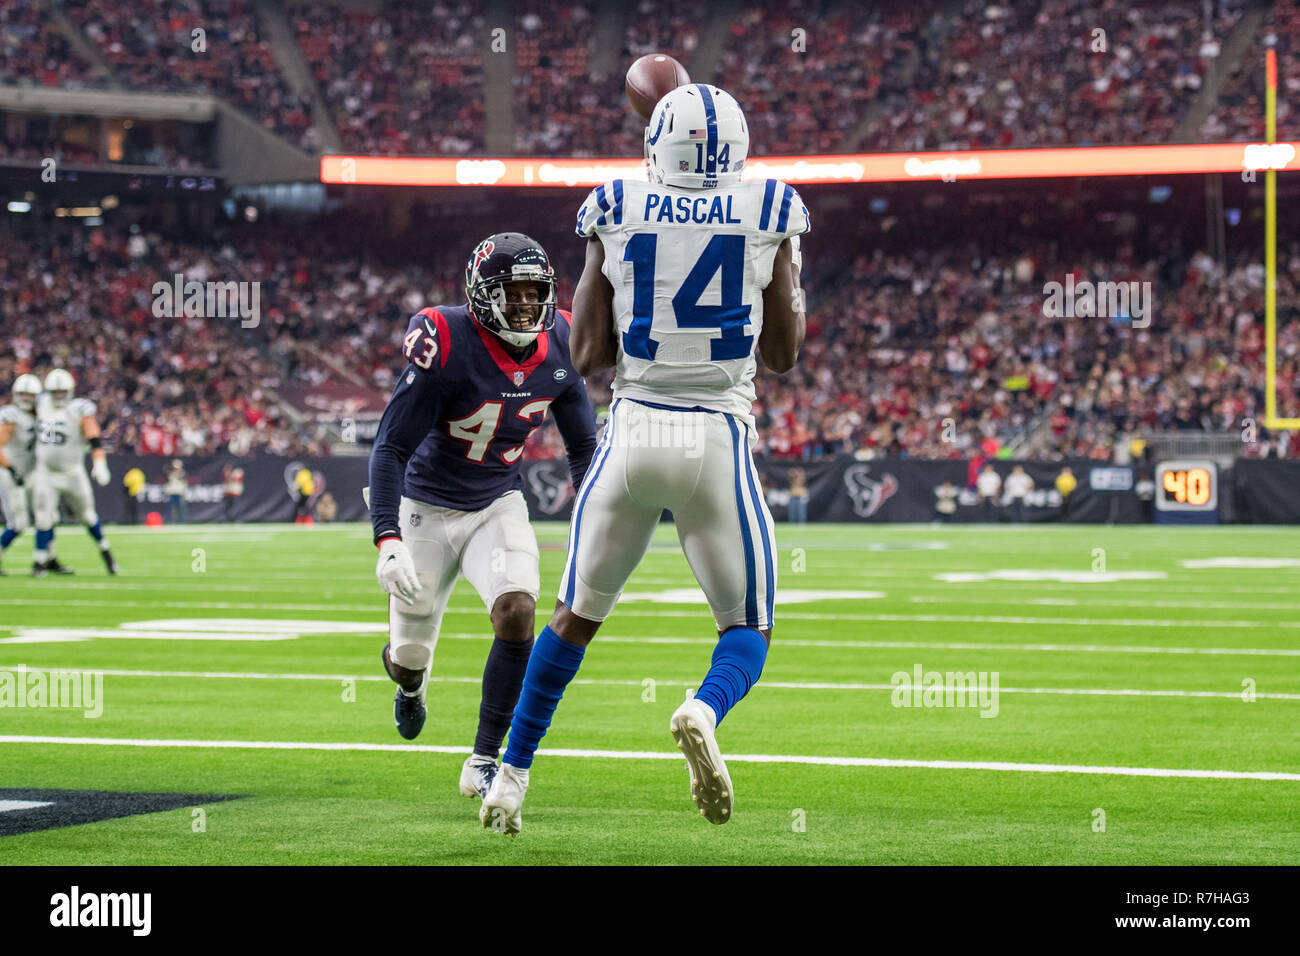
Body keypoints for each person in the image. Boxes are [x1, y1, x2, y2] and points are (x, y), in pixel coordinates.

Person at [482, 83, 810, 834]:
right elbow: (786, 355)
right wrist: (780, 275)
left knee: (572, 619)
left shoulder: (616, 202)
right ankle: (702, 706)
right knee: (747, 630)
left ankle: (511, 777)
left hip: (633, 430)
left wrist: (612, 261)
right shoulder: (770, 206)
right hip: (716, 437)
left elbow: (588, 353)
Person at [368, 232, 597, 804]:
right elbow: (390, 447)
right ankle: (410, 683)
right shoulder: (444, 338)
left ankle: (485, 757)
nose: (525, 305)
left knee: (518, 608)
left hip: (496, 501)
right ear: (479, 294)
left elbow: (584, 449)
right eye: (512, 293)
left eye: (534, 292)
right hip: (424, 507)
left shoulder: (562, 341)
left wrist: (596, 517)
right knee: (410, 657)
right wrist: (387, 538)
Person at [30, 369, 118, 575]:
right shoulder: (40, 403)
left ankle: (106, 553)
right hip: (46, 472)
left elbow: (94, 437)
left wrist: (99, 463)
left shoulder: (78, 408)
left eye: (62, 391)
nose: (58, 395)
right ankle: (40, 562)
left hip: (72, 471)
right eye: (55, 391)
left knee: (88, 516)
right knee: (43, 518)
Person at [0, 374, 42, 574]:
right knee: (18, 523)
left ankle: (47, 558)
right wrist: (10, 469)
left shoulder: (40, 415)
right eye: (22, 394)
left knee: (46, 515)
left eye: (29, 394)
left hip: (30, 472)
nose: (26, 398)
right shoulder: (10, 414)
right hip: (10, 472)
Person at [165, 459, 187, 525]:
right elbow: (165, 470)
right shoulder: (171, 474)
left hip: (179, 493)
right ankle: (172, 522)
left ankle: (181, 522)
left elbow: (184, 482)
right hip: (172, 493)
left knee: (180, 509)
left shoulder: (183, 474)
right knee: (172, 509)